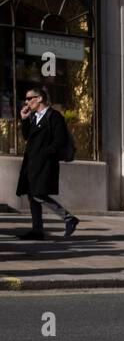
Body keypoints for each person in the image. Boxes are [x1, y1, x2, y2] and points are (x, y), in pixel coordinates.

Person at [16, 85, 78, 240]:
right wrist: (24, 119)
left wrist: (45, 154)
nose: (27, 102)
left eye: (30, 98)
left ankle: (69, 218)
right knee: (32, 194)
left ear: (40, 98)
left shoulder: (54, 116)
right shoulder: (33, 117)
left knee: (37, 194)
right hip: (31, 162)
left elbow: (60, 140)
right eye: (26, 99)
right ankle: (37, 230)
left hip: (45, 163)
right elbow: (26, 137)